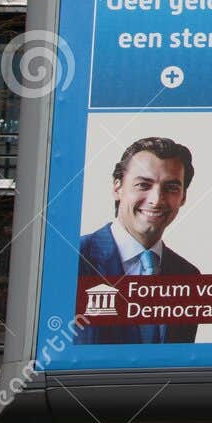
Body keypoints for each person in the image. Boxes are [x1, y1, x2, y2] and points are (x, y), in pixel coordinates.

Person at [75, 137, 199, 344]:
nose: (156, 200)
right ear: (117, 188)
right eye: (143, 185)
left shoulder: (188, 275)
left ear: (183, 197)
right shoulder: (74, 258)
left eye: (171, 188)